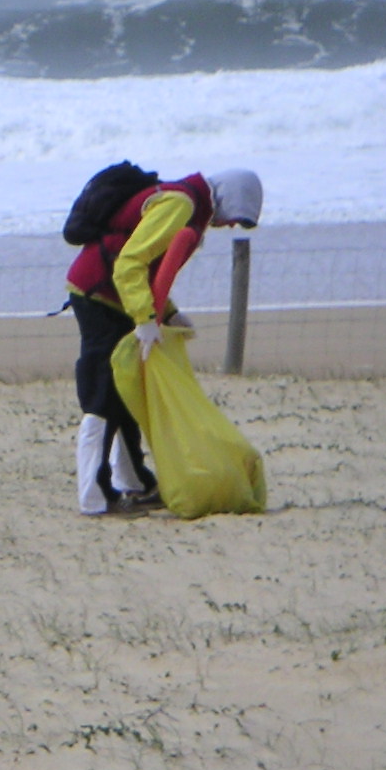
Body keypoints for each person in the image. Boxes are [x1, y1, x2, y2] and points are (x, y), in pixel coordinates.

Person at [65, 167, 263, 516]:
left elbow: (151, 267)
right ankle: (94, 496)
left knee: (128, 393)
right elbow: (130, 263)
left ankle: (135, 483)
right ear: (229, 199)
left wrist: (168, 313)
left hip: (115, 296)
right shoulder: (181, 205)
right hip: (98, 294)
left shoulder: (189, 205)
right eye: (237, 217)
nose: (232, 225)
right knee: (103, 394)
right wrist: (144, 319)